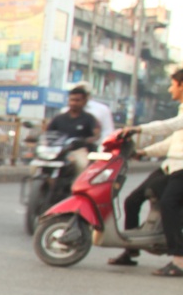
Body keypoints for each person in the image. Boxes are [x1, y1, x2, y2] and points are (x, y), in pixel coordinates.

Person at [111, 68, 183, 274]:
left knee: (170, 204)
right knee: (132, 200)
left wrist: (140, 129)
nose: (170, 89)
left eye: (172, 85)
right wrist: (144, 152)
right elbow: (173, 141)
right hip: (170, 166)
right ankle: (130, 251)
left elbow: (171, 126)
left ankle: (179, 260)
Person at [43, 86, 101, 175]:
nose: (73, 103)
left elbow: (96, 135)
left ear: (84, 101)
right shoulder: (59, 118)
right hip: (57, 150)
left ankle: (77, 187)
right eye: (71, 100)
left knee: (82, 164)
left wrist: (87, 140)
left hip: (78, 150)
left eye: (77, 100)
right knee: (37, 163)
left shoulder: (89, 118)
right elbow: (47, 133)